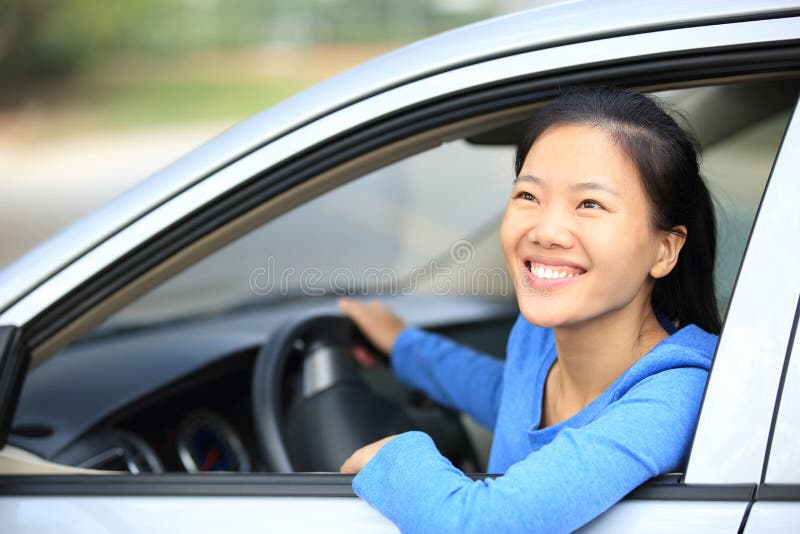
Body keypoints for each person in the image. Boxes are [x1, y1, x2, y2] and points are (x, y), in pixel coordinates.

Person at [337, 87, 721, 533]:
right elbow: (511, 398)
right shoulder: (539, 336)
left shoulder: (675, 395)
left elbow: (484, 526)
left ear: (664, 250)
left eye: (590, 204)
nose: (547, 230)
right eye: (528, 196)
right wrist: (404, 345)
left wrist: (394, 457)